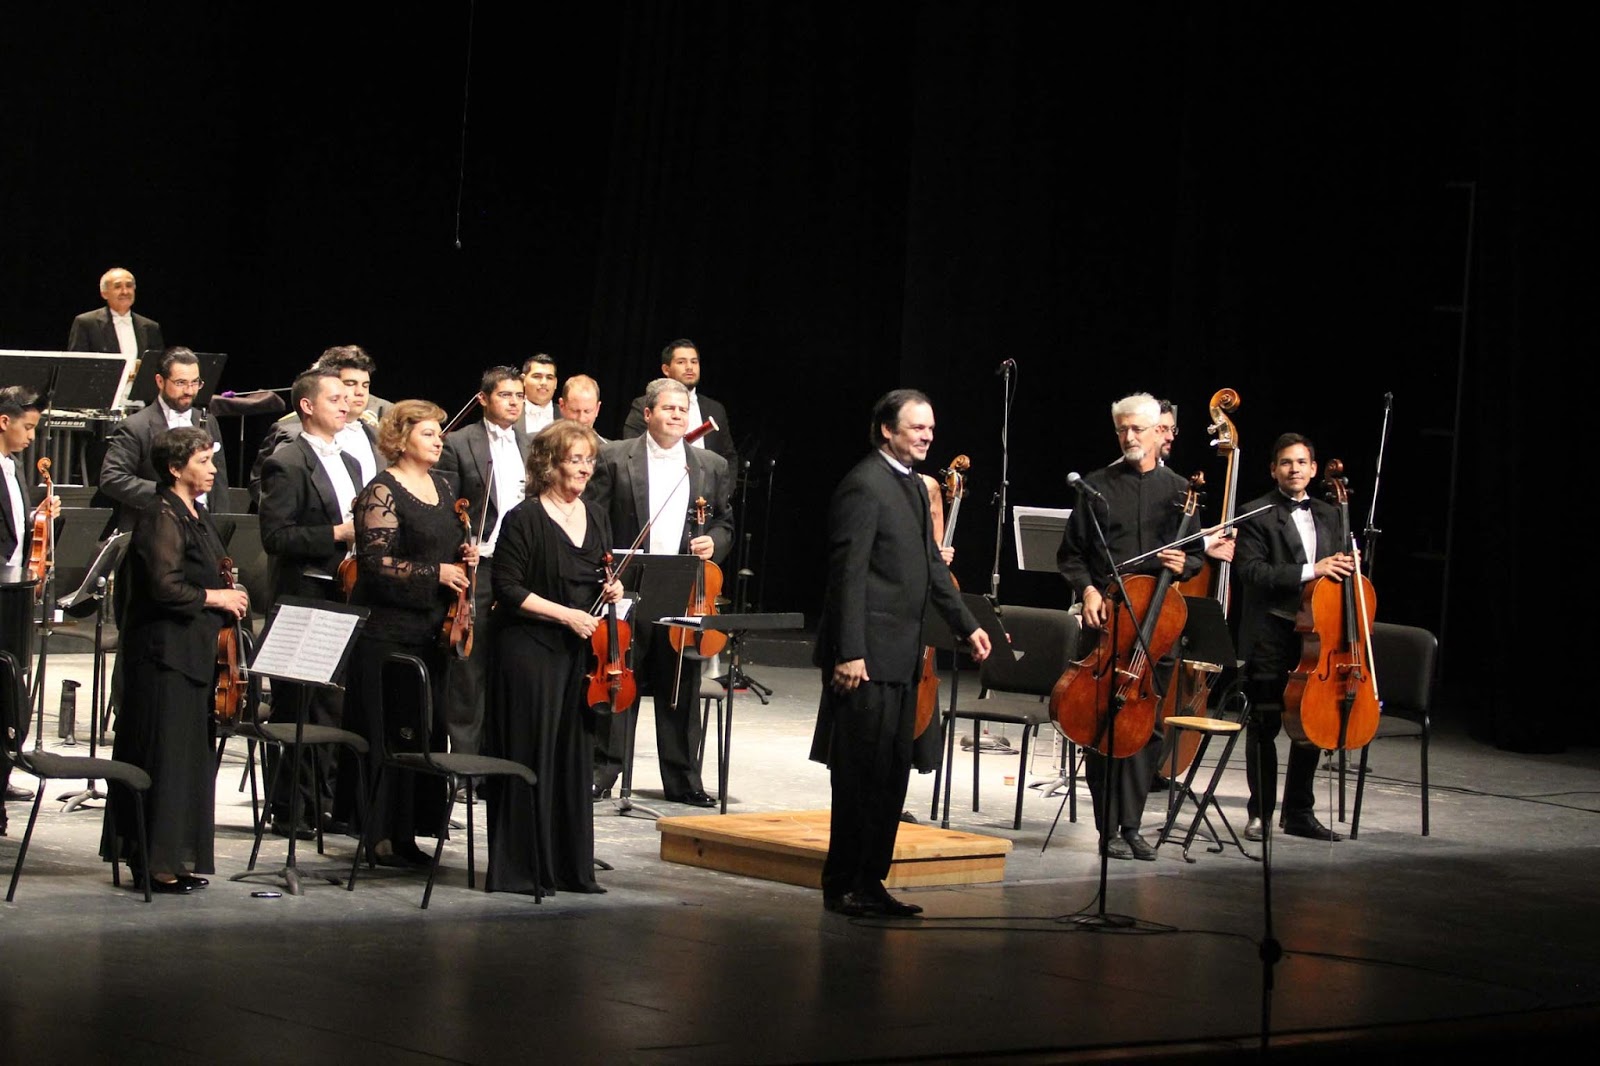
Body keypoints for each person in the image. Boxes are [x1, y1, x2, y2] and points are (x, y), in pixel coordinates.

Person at [810, 389, 991, 918]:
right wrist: (849, 651)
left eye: (931, 428)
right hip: (863, 659)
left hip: (903, 656)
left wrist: (966, 625)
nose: (927, 436)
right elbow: (848, 575)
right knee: (858, 774)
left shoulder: (914, 489)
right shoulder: (864, 485)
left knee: (890, 774)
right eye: (917, 428)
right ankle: (841, 883)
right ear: (887, 429)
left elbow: (933, 568)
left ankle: (871, 881)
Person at [98, 427, 249, 893]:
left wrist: (231, 592)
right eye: (203, 461)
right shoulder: (160, 515)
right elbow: (165, 588)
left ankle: (176, 857)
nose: (212, 469)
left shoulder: (193, 515)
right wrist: (217, 596)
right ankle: (154, 862)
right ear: (174, 468)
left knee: (185, 761)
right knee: (163, 758)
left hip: (192, 654)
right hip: (163, 657)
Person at [1056, 392, 1204, 861]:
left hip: (1158, 626)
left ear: (1159, 431)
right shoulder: (1095, 488)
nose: (1128, 437)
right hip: (1108, 623)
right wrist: (1090, 592)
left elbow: (1196, 557)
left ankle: (1133, 824)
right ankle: (1108, 830)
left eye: (1137, 429)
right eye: (1122, 429)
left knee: (1148, 729)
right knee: (1103, 723)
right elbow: (1071, 556)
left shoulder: (1181, 490)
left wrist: (1185, 562)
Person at [484, 420, 623, 895]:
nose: (584, 468)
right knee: (533, 750)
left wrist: (613, 589)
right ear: (549, 465)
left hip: (580, 654)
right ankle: (523, 868)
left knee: (571, 756)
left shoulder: (597, 515)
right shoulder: (523, 518)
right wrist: (566, 616)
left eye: (588, 459)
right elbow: (507, 588)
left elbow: (600, 571)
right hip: (529, 652)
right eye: (574, 459)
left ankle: (569, 868)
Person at [586, 377, 733, 807]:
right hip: (627, 584)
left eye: (683, 410)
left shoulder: (710, 465)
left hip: (683, 587)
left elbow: (724, 523)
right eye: (668, 409)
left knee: (681, 684)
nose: (676, 416)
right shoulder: (614, 457)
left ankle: (684, 779)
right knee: (619, 674)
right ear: (648, 414)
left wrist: (715, 544)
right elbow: (595, 517)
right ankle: (603, 771)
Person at [344, 400, 475, 866]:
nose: (439, 440)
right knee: (391, 732)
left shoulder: (442, 486)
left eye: (440, 433)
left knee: (423, 732)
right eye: (428, 433)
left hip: (432, 632)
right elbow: (375, 563)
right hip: (388, 633)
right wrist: (434, 572)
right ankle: (380, 836)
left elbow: (446, 549)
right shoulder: (381, 490)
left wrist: (464, 560)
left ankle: (410, 834)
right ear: (401, 439)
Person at [1233, 432, 1355, 843]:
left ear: (1314, 469)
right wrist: (1312, 570)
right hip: (1271, 633)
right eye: (1286, 462)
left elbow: (1339, 574)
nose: (1294, 469)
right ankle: (1260, 814)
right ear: (1273, 469)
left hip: (1316, 638)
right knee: (1264, 725)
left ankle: (1299, 813)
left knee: (1311, 724)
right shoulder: (1254, 513)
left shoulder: (1333, 513)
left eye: (1302, 462)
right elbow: (1251, 572)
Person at [257, 366, 360, 838]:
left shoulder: (353, 462)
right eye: (335, 397)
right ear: (307, 406)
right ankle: (288, 808)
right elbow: (276, 536)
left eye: (347, 397)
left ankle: (321, 803)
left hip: (339, 594)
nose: (346, 403)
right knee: (295, 704)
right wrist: (336, 533)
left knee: (328, 707)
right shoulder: (288, 460)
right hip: (302, 595)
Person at [435, 366, 531, 759]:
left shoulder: (532, 444)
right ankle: (464, 760)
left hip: (520, 566)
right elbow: (444, 507)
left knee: (510, 663)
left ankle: (499, 756)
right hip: (479, 565)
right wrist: (463, 545)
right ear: (483, 399)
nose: (514, 403)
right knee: (468, 668)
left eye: (519, 396)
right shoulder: (458, 443)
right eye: (506, 395)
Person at [0, 387, 59, 812]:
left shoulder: (16, 466)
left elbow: (17, 527)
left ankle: (1, 774)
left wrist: (41, 512)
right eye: (27, 427)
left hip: (15, 593)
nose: (30, 437)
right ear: (4, 421)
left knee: (11, 690)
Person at [99, 347, 231, 532]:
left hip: (203, 531)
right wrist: (168, 494)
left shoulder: (209, 422)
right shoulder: (135, 426)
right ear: (160, 381)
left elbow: (219, 481)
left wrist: (221, 528)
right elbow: (112, 479)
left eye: (195, 383)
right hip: (155, 530)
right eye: (180, 383)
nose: (189, 391)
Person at [248, 345, 388, 507]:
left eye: (365, 385)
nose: (360, 392)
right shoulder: (292, 430)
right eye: (350, 383)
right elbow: (261, 483)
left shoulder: (377, 435)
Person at [621, 339, 737, 473]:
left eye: (694, 362)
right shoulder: (643, 404)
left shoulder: (716, 409)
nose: (689, 367)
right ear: (666, 369)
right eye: (681, 362)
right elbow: (632, 449)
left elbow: (729, 456)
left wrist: (724, 492)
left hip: (704, 491)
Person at [66, 267, 164, 410]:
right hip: (102, 406)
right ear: (104, 293)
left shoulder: (150, 327)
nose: (125, 291)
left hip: (142, 407)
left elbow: (159, 367)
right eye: (118, 286)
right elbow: (77, 367)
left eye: (129, 286)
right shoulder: (86, 323)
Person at [557, 374, 605, 441]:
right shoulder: (543, 446)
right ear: (562, 406)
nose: (581, 419)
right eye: (575, 411)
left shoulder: (609, 450)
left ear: (597, 409)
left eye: (587, 411)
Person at [521, 354, 559, 436]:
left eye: (549, 378)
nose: (544, 383)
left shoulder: (567, 416)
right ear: (523, 380)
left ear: (555, 383)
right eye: (537, 376)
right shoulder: (510, 414)